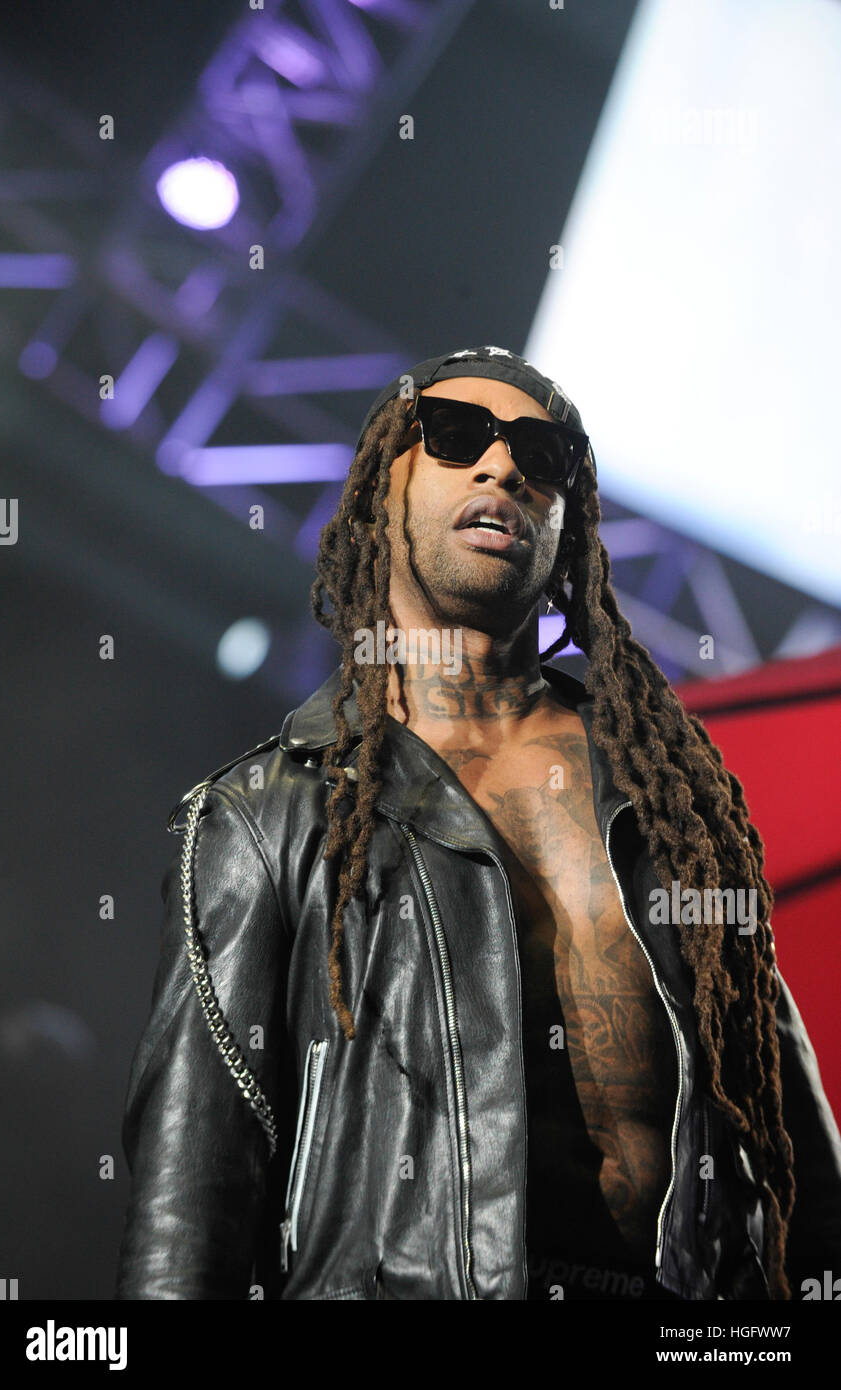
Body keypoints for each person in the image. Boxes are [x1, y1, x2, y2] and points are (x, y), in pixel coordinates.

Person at [115, 345, 841, 1301]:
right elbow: (187, 1208)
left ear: (566, 523)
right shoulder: (263, 816)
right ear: (384, 488)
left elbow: (799, 1165)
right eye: (456, 439)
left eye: (539, 457)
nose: (501, 467)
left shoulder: (674, 802)